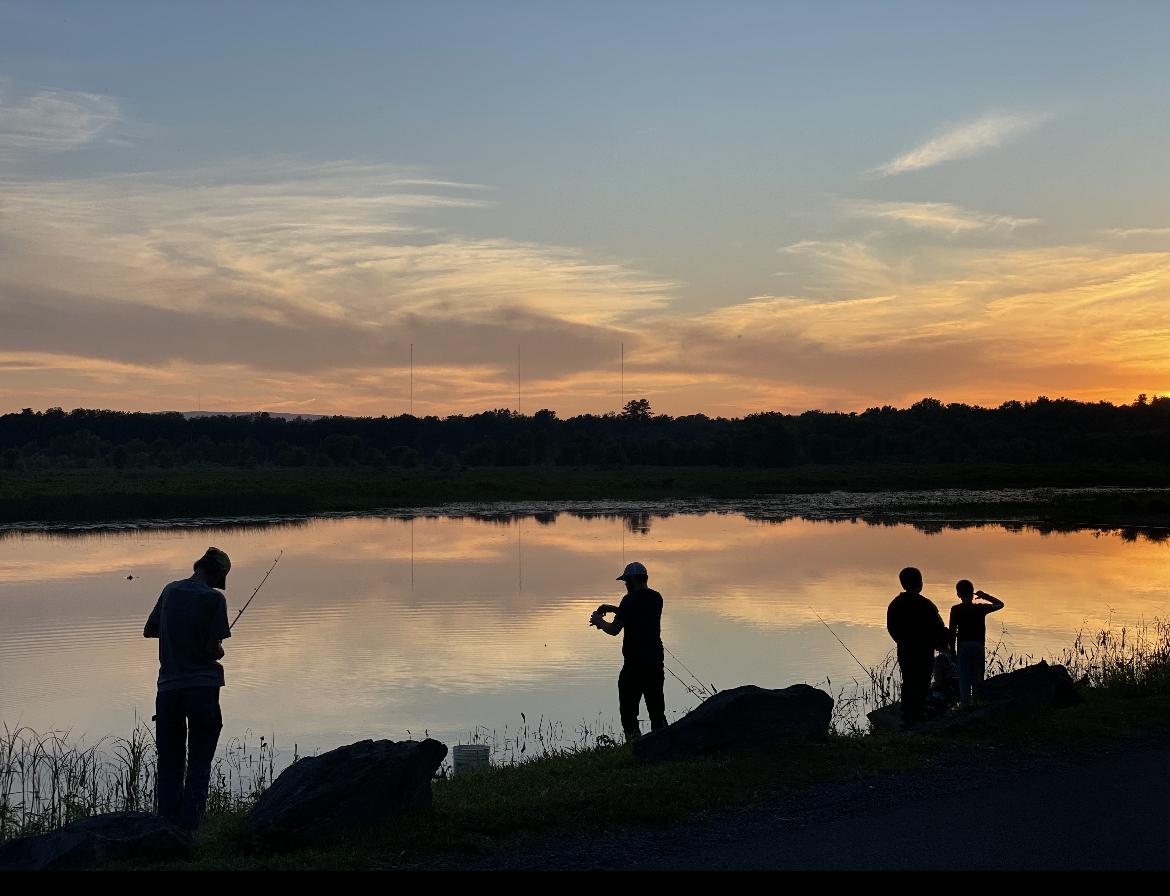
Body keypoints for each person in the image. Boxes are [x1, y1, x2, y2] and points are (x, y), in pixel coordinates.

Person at [144, 546, 233, 830]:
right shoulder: (214, 599)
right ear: (219, 574)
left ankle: (166, 829)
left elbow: (150, 629)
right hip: (202, 689)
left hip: (168, 690)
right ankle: (189, 831)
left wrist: (177, 629)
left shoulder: (170, 590)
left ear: (198, 566)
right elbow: (212, 648)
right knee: (199, 761)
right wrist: (217, 649)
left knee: (169, 763)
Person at [589, 561, 667, 740]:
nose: (625, 585)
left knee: (628, 710)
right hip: (655, 662)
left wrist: (598, 621)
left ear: (632, 581)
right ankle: (663, 742)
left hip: (634, 665)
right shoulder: (656, 598)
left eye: (626, 582)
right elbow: (639, 613)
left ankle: (634, 744)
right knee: (656, 709)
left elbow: (614, 630)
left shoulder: (629, 600)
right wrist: (613, 608)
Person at [886, 567, 949, 730]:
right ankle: (918, 715)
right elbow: (938, 627)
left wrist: (901, 641)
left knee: (908, 681)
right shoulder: (926, 605)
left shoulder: (895, 604)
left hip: (905, 650)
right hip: (924, 650)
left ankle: (907, 715)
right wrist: (941, 643)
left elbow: (892, 628)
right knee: (922, 682)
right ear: (920, 583)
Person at [949, 580, 1005, 706]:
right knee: (978, 677)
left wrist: (952, 651)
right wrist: (985, 596)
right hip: (978, 646)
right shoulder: (980, 608)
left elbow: (952, 632)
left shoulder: (956, 609)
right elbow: (1000, 604)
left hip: (963, 646)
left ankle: (965, 705)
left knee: (964, 678)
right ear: (972, 593)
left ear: (958, 594)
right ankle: (978, 704)